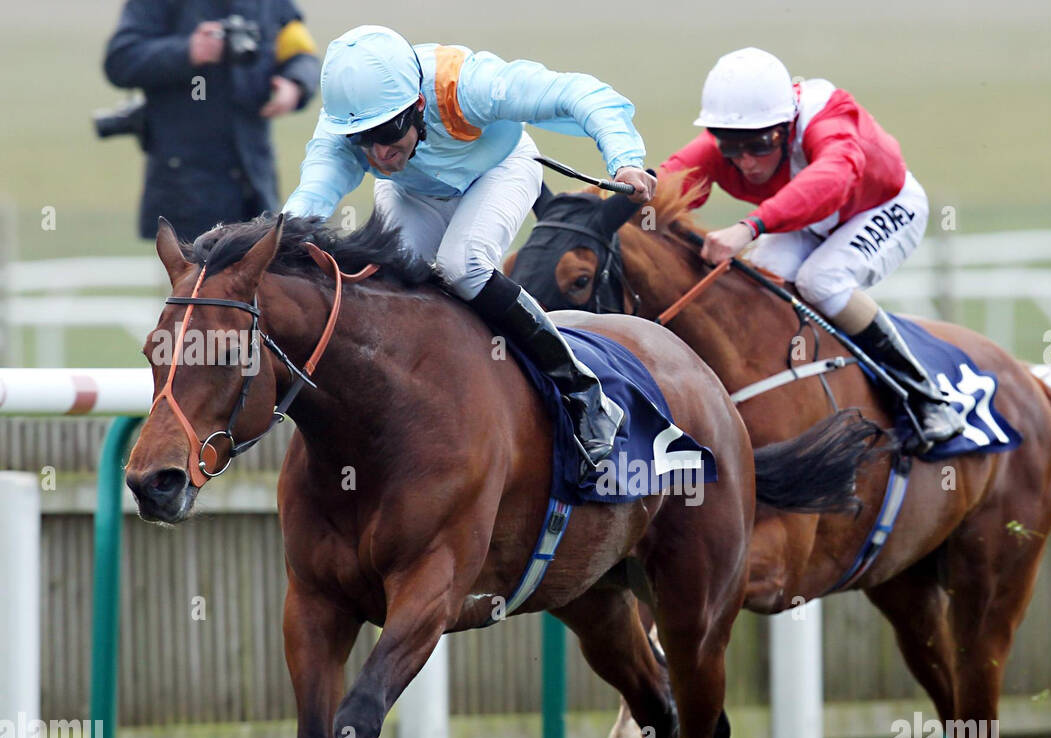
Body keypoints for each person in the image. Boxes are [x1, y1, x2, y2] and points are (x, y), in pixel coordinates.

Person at [282, 25, 657, 477]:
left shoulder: (467, 85)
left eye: (389, 131)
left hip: (499, 171)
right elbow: (309, 200)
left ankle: (581, 392)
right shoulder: (340, 130)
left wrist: (624, 159)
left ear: (419, 104)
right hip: (415, 195)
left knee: (463, 267)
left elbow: (578, 93)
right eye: (364, 139)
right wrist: (269, 243)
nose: (380, 152)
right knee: (390, 284)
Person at [659, 47, 963, 452]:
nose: (746, 161)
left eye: (759, 144)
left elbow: (831, 179)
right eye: (731, 146)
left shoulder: (828, 117)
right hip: (807, 217)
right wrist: (606, 202)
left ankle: (925, 397)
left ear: (786, 126)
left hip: (883, 207)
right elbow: (667, 179)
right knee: (762, 285)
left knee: (822, 280)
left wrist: (750, 227)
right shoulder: (734, 141)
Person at [104, 0, 321, 243]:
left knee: (263, 276)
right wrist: (188, 50)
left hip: (254, 184)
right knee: (195, 279)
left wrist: (296, 83)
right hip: (185, 190)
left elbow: (302, 54)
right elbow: (120, 59)